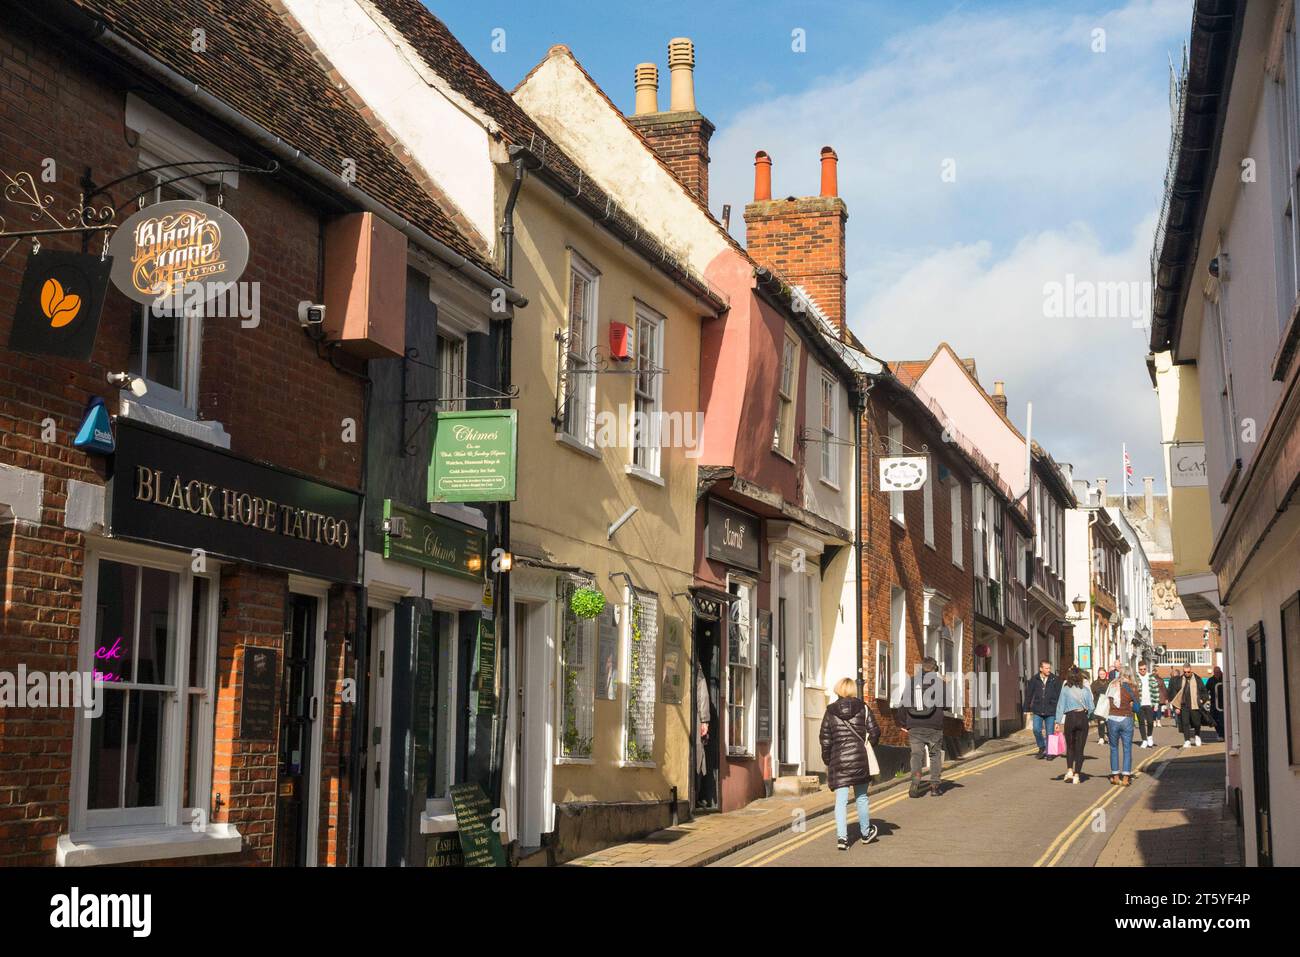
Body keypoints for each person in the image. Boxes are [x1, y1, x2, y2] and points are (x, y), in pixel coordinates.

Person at [820, 677, 881, 850]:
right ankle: (866, 833)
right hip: (860, 760)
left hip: (838, 761)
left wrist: (828, 759)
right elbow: (875, 731)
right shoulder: (863, 708)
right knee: (861, 798)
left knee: (841, 802)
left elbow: (825, 739)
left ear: (838, 690)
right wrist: (868, 745)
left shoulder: (830, 712)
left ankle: (842, 838)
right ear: (853, 689)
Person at [896, 657, 948, 796]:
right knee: (935, 755)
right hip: (934, 725)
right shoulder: (939, 683)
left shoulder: (912, 682)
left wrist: (903, 723)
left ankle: (915, 782)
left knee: (916, 755)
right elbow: (946, 705)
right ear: (934, 669)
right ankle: (935, 787)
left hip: (914, 725)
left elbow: (903, 704)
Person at [1054, 666, 1094, 783]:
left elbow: (1060, 705)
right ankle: (1077, 775)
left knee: (1070, 747)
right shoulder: (1085, 690)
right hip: (1082, 717)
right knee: (1080, 749)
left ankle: (1069, 770)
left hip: (1070, 718)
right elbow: (1091, 707)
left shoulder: (1066, 689)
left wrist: (1057, 721)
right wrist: (1087, 715)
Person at [1102, 669, 1139, 786]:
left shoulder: (1112, 685)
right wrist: (1131, 704)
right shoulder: (1133, 687)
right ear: (1131, 676)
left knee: (1113, 748)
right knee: (1127, 748)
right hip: (1126, 718)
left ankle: (1115, 776)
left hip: (1112, 719)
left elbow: (1107, 700)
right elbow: (1137, 707)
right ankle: (1126, 778)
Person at [1023, 659, 1063, 759]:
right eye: (1046, 668)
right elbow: (1029, 694)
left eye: (1049, 668)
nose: (1049, 670)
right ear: (1041, 669)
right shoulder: (1034, 679)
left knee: (1050, 733)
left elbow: (1060, 695)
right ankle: (1042, 747)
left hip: (1051, 710)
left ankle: (1051, 752)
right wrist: (1026, 708)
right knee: (1036, 730)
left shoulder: (1055, 679)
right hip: (1038, 710)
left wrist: (1059, 709)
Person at [1167, 665, 1204, 748]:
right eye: (1185, 672)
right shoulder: (1179, 680)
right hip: (1184, 705)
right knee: (1185, 723)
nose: (1186, 673)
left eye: (1188, 672)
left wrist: (1202, 699)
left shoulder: (1197, 679)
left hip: (1195, 705)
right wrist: (1176, 707)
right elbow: (1174, 693)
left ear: (1191, 670)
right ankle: (1187, 740)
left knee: (1196, 723)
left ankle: (1197, 736)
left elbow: (1203, 691)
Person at [1135, 660, 1165, 748]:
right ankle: (1144, 740)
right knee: (1141, 722)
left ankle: (1149, 736)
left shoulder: (1151, 677)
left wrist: (1156, 703)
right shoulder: (1135, 677)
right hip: (1139, 703)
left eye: (1144, 669)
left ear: (1146, 668)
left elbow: (1156, 690)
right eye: (1141, 669)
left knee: (1150, 722)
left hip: (1149, 703)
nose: (1143, 671)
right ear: (1138, 669)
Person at [1090, 668, 1111, 745]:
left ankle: (1109, 737)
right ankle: (1101, 737)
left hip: (1107, 704)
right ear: (1098, 674)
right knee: (1101, 721)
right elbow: (1091, 693)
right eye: (1100, 674)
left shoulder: (1109, 682)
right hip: (1098, 704)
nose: (1102, 675)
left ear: (1106, 674)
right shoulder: (1095, 683)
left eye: (1103, 674)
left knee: (1108, 722)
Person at [1204, 666, 1225, 740]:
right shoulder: (1211, 680)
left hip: (1224, 703)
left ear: (1221, 672)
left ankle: (1224, 734)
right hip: (1214, 703)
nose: (1217, 674)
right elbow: (1205, 690)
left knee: (1223, 719)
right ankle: (1219, 734)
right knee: (1215, 720)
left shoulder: (1225, 678)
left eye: (1218, 672)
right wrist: (1205, 699)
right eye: (1215, 672)